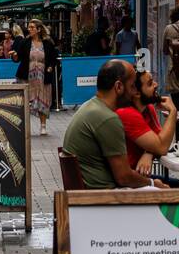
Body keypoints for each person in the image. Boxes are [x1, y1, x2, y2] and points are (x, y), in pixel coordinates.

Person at [63, 60, 153, 189]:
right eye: (132, 86)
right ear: (118, 87)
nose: (135, 93)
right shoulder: (107, 118)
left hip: (92, 195)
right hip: (104, 198)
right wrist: (153, 183)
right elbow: (124, 177)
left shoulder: (91, 106)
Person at [116, 69, 177, 175]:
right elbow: (162, 147)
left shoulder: (148, 108)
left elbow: (160, 140)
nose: (156, 84)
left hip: (140, 176)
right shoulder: (126, 113)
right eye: (150, 84)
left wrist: (148, 152)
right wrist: (173, 112)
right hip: (127, 179)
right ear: (137, 93)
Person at [12, 18, 58, 135]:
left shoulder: (48, 43)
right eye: (29, 27)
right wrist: (14, 55)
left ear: (38, 29)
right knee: (26, 101)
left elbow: (54, 58)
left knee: (43, 101)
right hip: (27, 75)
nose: (29, 29)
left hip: (43, 76)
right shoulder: (25, 42)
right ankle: (24, 126)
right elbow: (18, 58)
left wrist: (51, 67)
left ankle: (43, 126)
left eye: (32, 27)